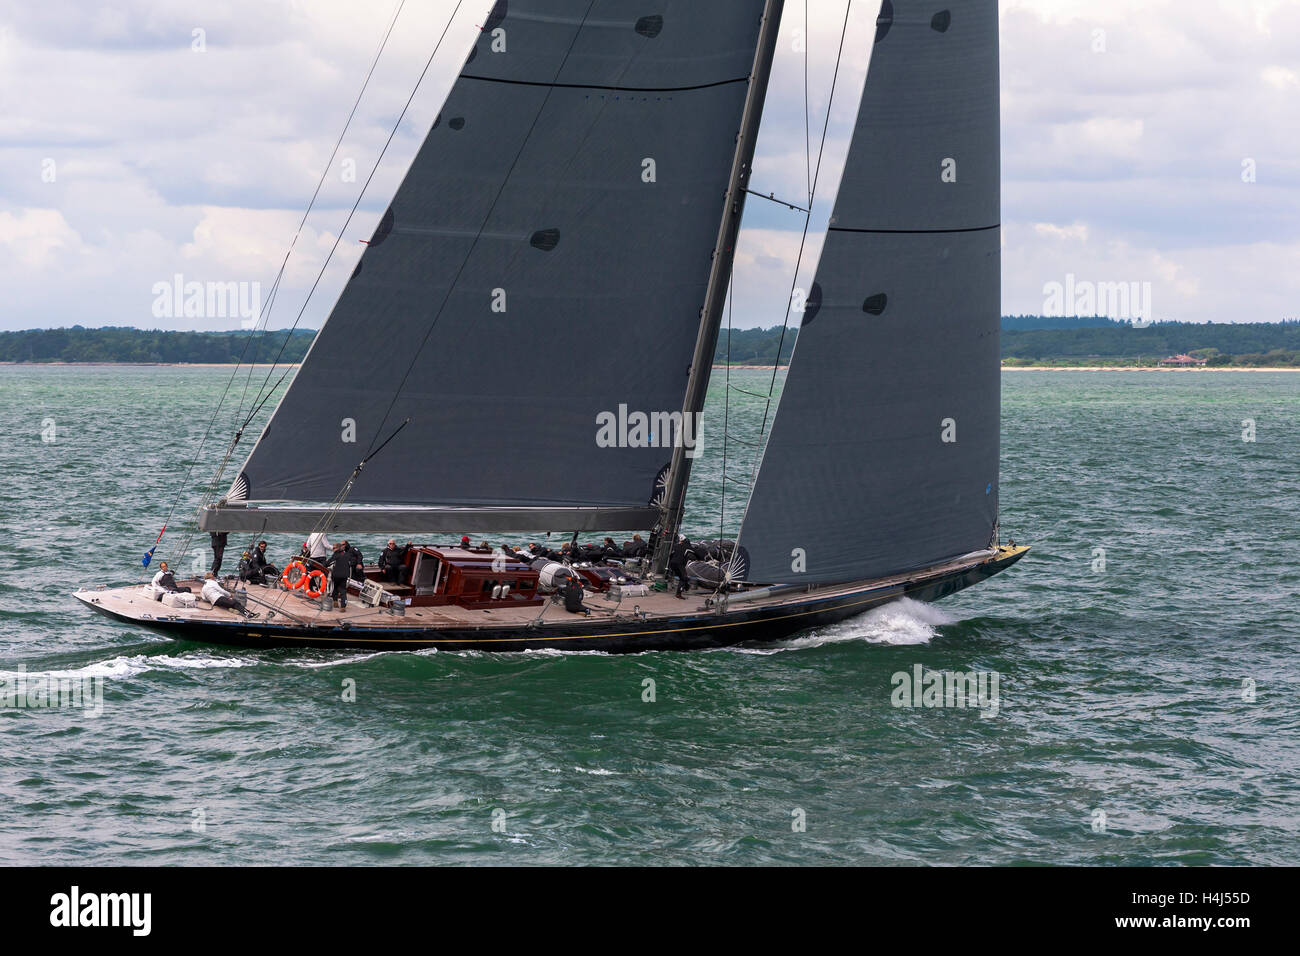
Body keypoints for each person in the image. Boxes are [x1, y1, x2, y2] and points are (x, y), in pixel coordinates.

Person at [325, 542, 352, 610]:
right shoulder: (346, 554)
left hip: (336, 575)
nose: (333, 549)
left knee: (335, 588)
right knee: (343, 590)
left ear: (338, 548)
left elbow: (329, 563)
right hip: (345, 575)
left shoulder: (336, 555)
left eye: (334, 548)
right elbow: (351, 563)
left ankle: (335, 602)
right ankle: (343, 606)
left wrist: (324, 564)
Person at [669, 534, 693, 599]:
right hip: (679, 564)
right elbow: (692, 554)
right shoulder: (687, 547)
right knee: (683, 578)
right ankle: (679, 594)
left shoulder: (676, 546)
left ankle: (686, 586)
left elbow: (671, 555)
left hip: (672, 564)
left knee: (683, 577)